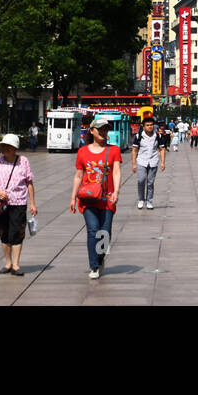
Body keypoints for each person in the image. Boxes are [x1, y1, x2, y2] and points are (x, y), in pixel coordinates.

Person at [70, 116, 122, 279]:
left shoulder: (113, 150)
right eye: (100, 129)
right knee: (93, 230)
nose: (103, 132)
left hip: (107, 199)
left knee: (105, 232)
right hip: (88, 198)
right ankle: (94, 266)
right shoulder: (82, 152)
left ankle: (100, 259)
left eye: (106, 129)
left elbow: (116, 171)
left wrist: (116, 191)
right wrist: (73, 198)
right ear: (92, 131)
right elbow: (78, 175)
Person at [0, 134, 36, 275]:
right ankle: (8, 262)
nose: (5, 150)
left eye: (8, 147)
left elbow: (29, 183)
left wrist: (32, 203)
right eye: (3, 147)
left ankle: (16, 264)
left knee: (17, 232)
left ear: (14, 148)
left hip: (19, 203)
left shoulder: (23, 161)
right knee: (4, 233)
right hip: (1, 204)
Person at [130, 114, 166, 208]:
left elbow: (162, 149)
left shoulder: (158, 136)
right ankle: (141, 199)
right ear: (143, 126)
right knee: (141, 180)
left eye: (151, 125)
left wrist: (162, 162)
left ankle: (149, 200)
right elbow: (134, 150)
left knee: (150, 182)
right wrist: (133, 164)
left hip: (153, 161)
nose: (149, 127)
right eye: (147, 125)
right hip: (141, 161)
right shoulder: (138, 136)